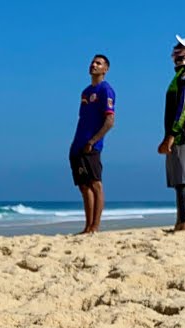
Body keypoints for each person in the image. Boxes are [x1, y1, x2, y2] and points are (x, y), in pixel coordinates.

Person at [158, 34, 185, 231]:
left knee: (184, 179)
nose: (175, 50)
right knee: (178, 179)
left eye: (180, 46)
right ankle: (181, 221)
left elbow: (183, 106)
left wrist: (171, 134)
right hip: (179, 135)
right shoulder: (180, 76)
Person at [69, 54, 116, 234]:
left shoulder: (106, 90)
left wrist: (93, 141)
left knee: (96, 184)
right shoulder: (86, 92)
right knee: (84, 186)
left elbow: (110, 121)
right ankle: (88, 226)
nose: (94, 65)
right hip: (78, 144)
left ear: (105, 69)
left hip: (92, 146)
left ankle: (95, 226)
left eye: (98, 63)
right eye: (93, 62)